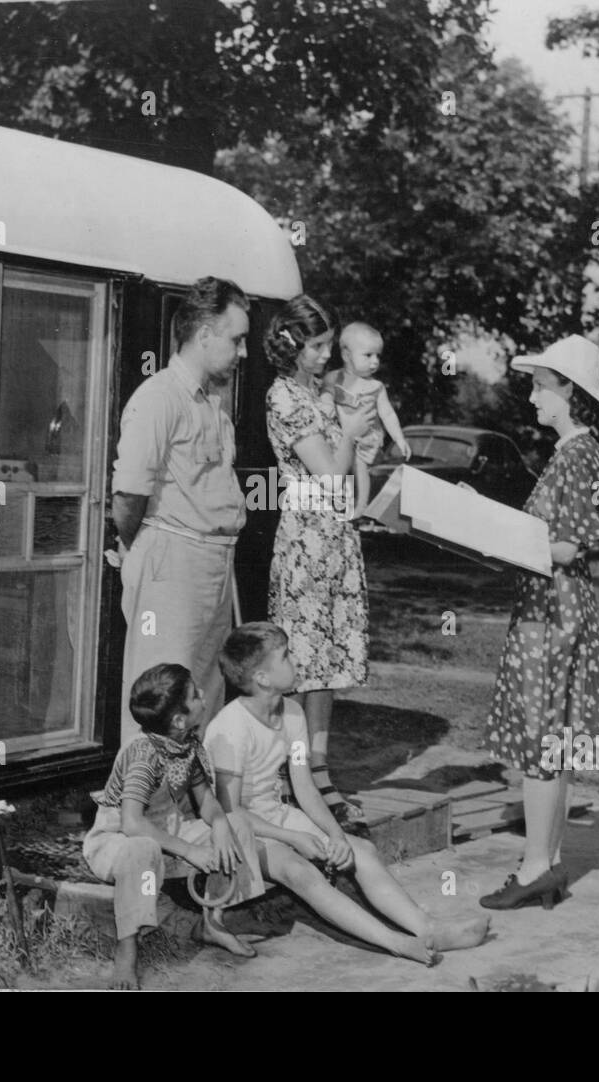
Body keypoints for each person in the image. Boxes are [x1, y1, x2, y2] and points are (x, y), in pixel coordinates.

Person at [205, 622, 490, 964]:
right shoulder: (231, 727)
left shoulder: (293, 713)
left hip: (277, 815)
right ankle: (395, 942)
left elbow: (304, 785)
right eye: (286, 656)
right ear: (263, 678)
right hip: (242, 830)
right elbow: (229, 810)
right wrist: (291, 837)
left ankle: (428, 929)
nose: (295, 661)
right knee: (299, 872)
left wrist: (335, 834)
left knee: (362, 850)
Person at [480, 334, 599, 910]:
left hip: (551, 613)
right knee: (552, 744)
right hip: (555, 608)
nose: (533, 397)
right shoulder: (573, 453)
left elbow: (565, 547)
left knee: (542, 742)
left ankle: (536, 866)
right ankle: (549, 861)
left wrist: (487, 530)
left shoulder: (579, 455)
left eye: (540, 385)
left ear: (569, 391)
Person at [111, 277, 250, 747]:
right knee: (162, 692)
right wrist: (141, 551)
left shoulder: (212, 404)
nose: (242, 351)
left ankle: (187, 807)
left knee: (201, 694)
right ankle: (135, 810)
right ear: (204, 335)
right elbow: (128, 495)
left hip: (214, 562)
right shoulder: (159, 398)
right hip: (174, 557)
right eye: (236, 339)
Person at [82, 662, 265, 989]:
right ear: (179, 719)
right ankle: (127, 951)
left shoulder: (187, 745)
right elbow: (132, 823)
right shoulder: (143, 755)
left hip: (168, 830)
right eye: (195, 695)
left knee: (238, 824)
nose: (203, 696)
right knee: (143, 848)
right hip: (118, 843)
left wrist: (220, 823)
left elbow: (206, 800)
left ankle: (214, 922)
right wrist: (191, 850)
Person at [263, 296, 375, 822]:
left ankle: (320, 768)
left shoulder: (323, 393)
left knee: (329, 663)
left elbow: (348, 476)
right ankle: (296, 774)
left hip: (336, 533)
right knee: (303, 661)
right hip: (307, 535)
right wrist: (350, 436)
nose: (328, 353)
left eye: (329, 343)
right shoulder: (284, 398)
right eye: (318, 345)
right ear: (291, 346)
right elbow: (327, 474)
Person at [322, 321, 410, 518]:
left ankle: (361, 505)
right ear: (346, 355)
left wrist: (399, 438)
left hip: (364, 439)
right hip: (339, 435)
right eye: (368, 355)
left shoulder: (375, 387)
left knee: (359, 467)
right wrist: (326, 402)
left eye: (378, 355)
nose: (375, 361)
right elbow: (325, 394)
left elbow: (387, 413)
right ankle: (337, 502)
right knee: (336, 467)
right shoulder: (333, 378)